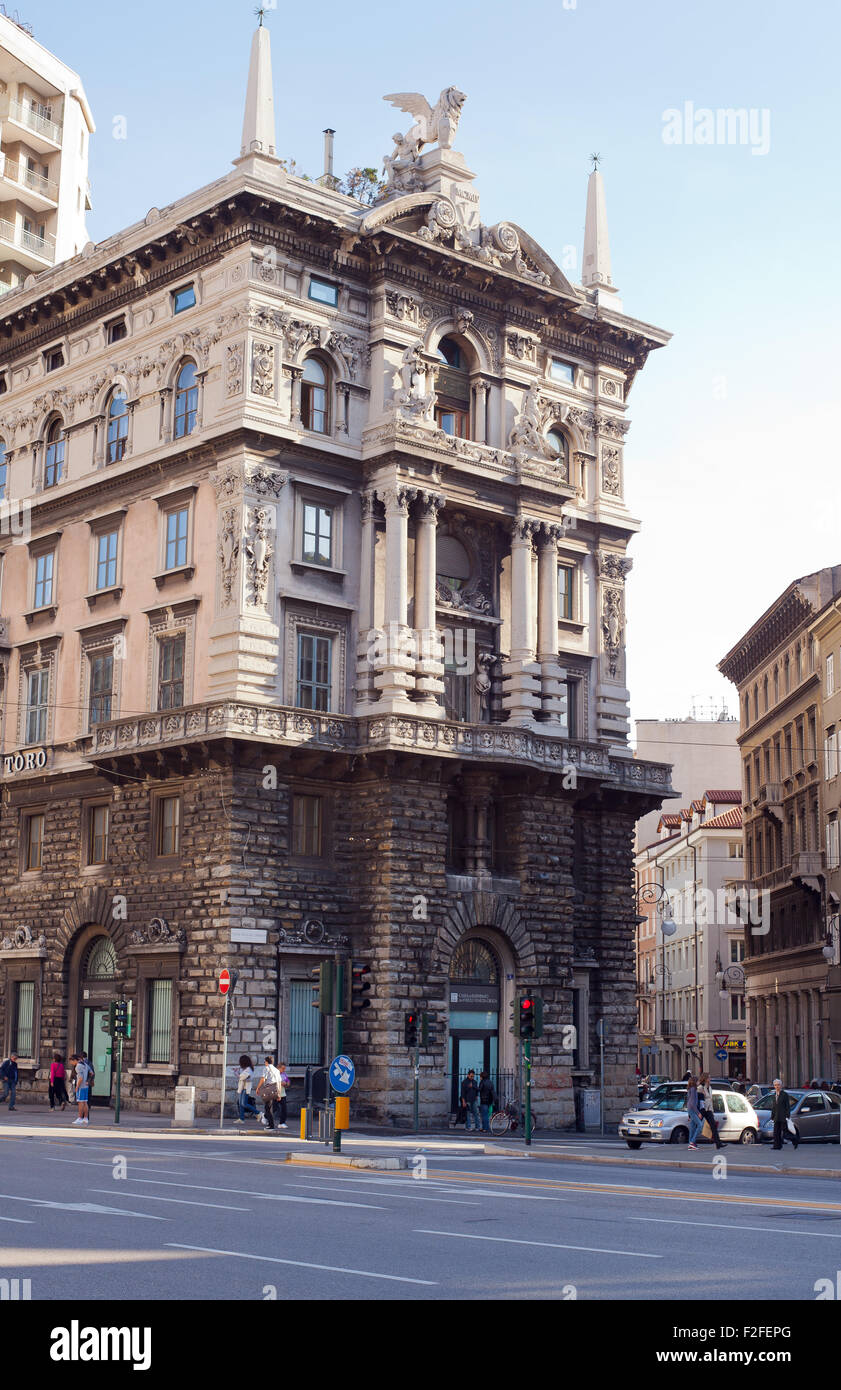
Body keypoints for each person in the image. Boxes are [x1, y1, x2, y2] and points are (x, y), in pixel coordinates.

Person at [770, 1078, 798, 1150]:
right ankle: (777, 1146)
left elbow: (787, 1106)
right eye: (775, 1085)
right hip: (776, 1117)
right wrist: (772, 1116)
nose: (777, 1086)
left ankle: (794, 1139)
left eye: (778, 1085)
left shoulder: (784, 1094)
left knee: (785, 1133)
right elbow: (773, 1107)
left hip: (783, 1116)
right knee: (776, 1132)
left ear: (781, 1086)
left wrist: (787, 1116)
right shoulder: (774, 1095)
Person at [697, 1072, 722, 1150]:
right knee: (696, 1125)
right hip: (702, 1109)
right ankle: (692, 1141)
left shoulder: (710, 1087)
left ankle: (718, 1144)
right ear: (705, 1079)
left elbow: (710, 1099)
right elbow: (699, 1100)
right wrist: (700, 1111)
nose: (710, 1079)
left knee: (713, 1125)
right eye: (709, 1078)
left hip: (709, 1109)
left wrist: (712, 1111)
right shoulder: (700, 1087)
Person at [255, 1056, 282, 1130]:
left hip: (268, 1089)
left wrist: (258, 1088)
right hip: (275, 1089)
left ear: (266, 1062)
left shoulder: (266, 1068)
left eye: (264, 1062)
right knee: (270, 1107)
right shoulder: (277, 1070)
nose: (264, 1063)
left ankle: (271, 1125)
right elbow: (279, 1082)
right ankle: (268, 1122)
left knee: (268, 1107)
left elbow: (263, 1079)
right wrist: (279, 1093)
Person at [235, 1055, 259, 1122]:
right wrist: (237, 1071)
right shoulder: (246, 1069)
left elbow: (241, 1077)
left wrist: (236, 1073)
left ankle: (258, 1113)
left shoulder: (248, 1070)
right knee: (240, 1103)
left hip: (246, 1088)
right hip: (242, 1088)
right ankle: (241, 1118)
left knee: (244, 1103)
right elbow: (241, 1076)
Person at [72, 1053, 92, 1126]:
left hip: (81, 1087)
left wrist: (77, 1086)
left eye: (71, 1061)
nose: (71, 1063)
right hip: (86, 1086)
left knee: (80, 1103)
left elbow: (80, 1078)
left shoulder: (78, 1066)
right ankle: (85, 1118)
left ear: (75, 1060)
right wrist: (88, 1081)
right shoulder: (85, 1065)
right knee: (85, 1102)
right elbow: (91, 1073)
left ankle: (80, 1118)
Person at [686, 1074, 704, 1149]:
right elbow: (693, 1103)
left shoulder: (690, 1089)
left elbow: (688, 1101)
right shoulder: (693, 1089)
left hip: (690, 1109)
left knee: (693, 1127)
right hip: (693, 1110)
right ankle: (692, 1142)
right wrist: (698, 1113)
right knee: (700, 1125)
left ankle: (691, 1142)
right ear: (695, 1081)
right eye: (698, 1081)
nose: (699, 1082)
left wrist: (689, 1115)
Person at [276, 1063, 290, 1129]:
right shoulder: (275, 1074)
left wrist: (287, 1083)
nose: (284, 1070)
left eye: (284, 1069)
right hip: (275, 1094)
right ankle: (265, 1117)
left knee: (284, 1109)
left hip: (283, 1094)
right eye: (283, 1069)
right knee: (273, 1108)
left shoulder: (284, 1074)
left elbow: (288, 1081)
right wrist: (280, 1083)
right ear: (278, 1068)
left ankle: (282, 1123)